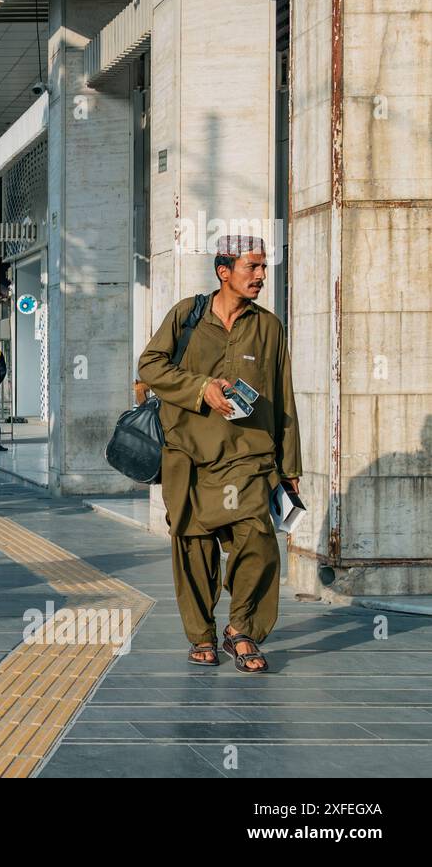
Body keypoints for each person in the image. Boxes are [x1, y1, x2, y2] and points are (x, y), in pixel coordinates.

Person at [137, 235, 300, 674]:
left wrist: (290, 466)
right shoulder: (186, 316)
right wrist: (199, 388)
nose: (262, 276)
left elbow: (283, 396)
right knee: (193, 544)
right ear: (223, 271)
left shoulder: (269, 326)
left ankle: (242, 628)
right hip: (186, 453)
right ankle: (201, 634)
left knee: (259, 540)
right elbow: (149, 365)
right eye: (253, 268)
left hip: (248, 456)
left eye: (264, 268)